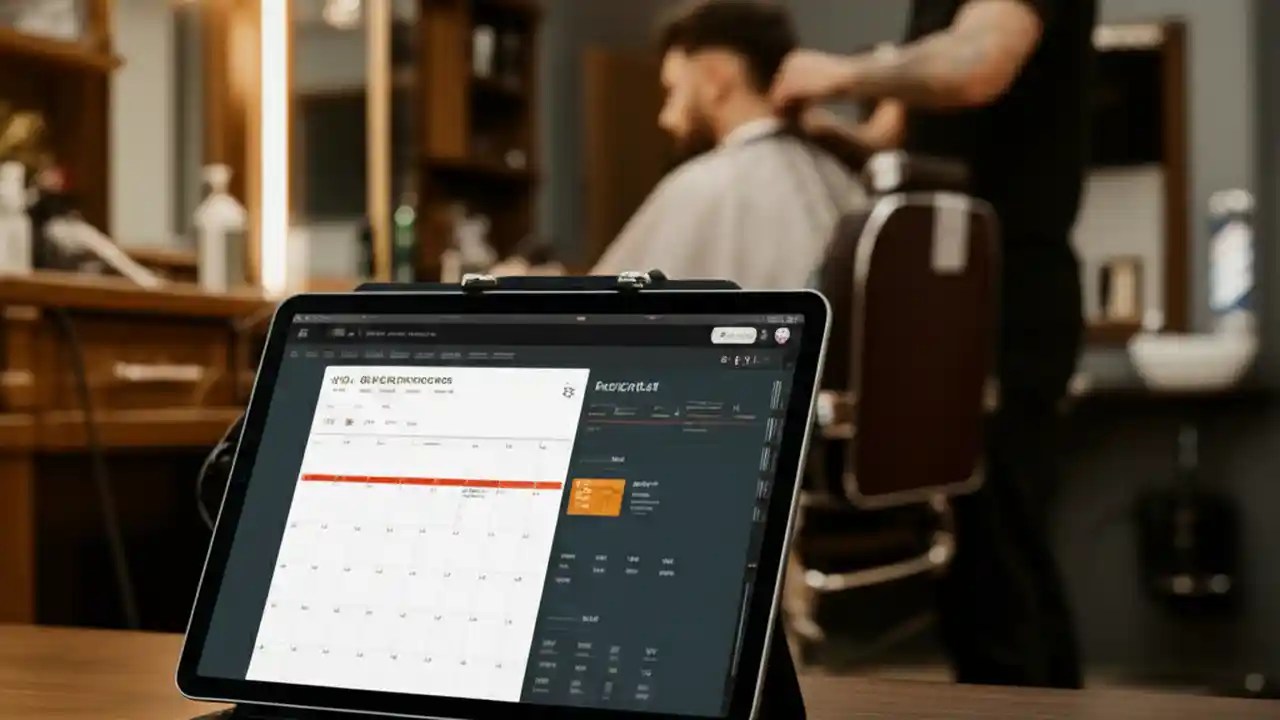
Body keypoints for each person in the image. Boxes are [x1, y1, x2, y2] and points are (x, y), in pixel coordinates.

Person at [771, 0, 1095, 689]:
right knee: (971, 560)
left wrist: (836, 72)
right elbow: (899, 141)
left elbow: (975, 68)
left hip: (1003, 294)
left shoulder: (988, 23)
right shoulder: (936, 10)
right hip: (941, 298)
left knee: (1002, 558)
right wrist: (820, 130)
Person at [588, 0, 864, 289]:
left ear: (715, 77)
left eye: (673, 92)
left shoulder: (699, 187)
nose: (665, 119)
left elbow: (604, 313)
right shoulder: (840, 180)